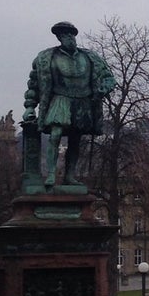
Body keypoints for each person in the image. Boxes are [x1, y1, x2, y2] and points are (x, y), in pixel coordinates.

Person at [25, 21, 115, 187]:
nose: (70, 38)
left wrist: (104, 88)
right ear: (59, 38)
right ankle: (51, 174)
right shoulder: (46, 58)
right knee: (55, 134)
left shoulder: (91, 58)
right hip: (60, 99)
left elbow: (109, 78)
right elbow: (34, 84)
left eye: (72, 34)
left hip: (83, 101)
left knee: (75, 139)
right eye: (65, 35)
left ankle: (70, 175)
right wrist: (30, 107)